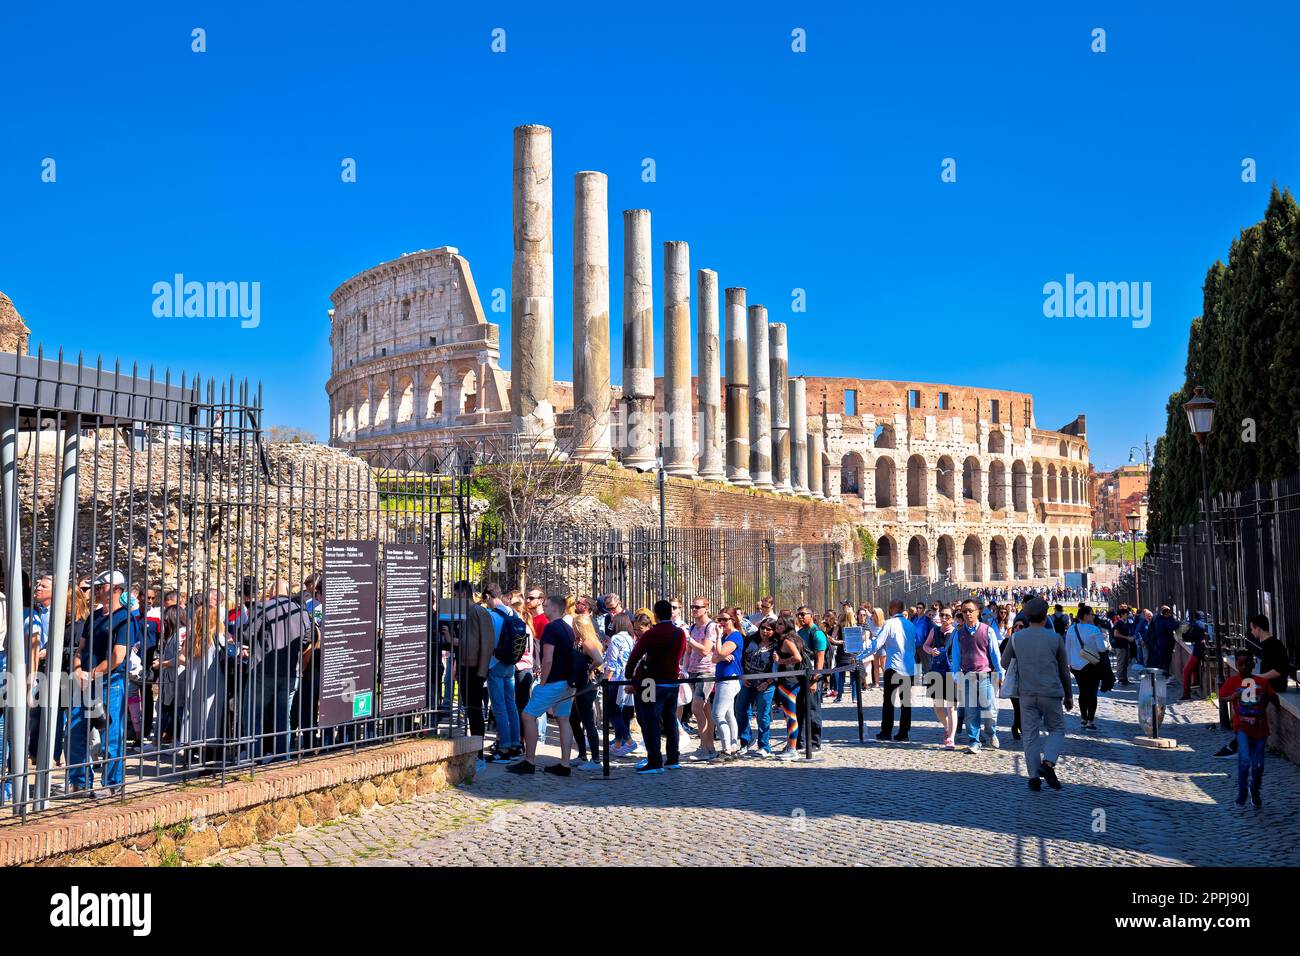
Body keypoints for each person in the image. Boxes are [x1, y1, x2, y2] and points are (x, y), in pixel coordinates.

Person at [67, 570, 140, 797]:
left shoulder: (126, 619)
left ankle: (112, 784)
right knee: (74, 731)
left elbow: (119, 656)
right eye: (96, 587)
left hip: (111, 681)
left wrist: (93, 674)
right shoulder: (94, 616)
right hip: (85, 681)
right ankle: (79, 781)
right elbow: (80, 649)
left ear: (117, 589)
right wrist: (79, 670)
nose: (97, 590)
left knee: (111, 734)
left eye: (102, 586)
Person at [1000, 597, 1074, 792]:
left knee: (1030, 735)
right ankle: (1048, 763)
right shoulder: (1055, 638)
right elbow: (1064, 671)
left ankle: (1034, 777)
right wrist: (1069, 695)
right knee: (1057, 729)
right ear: (1045, 616)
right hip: (1050, 692)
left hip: (1026, 693)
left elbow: (1004, 663)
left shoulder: (1016, 638)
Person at [508, 594, 578, 776]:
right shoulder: (567, 628)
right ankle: (565, 764)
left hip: (553, 681)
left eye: (546, 606)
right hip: (567, 681)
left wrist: (543, 683)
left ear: (554, 608)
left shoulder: (551, 628)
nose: (543, 608)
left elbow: (547, 659)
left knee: (528, 716)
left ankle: (529, 761)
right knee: (563, 719)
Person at [1214, 613, 1293, 758]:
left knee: (1248, 707)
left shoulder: (1273, 645)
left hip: (1273, 685)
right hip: (1265, 684)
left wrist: (1257, 678)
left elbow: (1279, 670)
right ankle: (1240, 742)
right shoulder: (1268, 645)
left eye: (1252, 628)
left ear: (1258, 628)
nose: (1251, 632)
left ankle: (1238, 745)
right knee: (1246, 707)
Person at [623, 599, 687, 775]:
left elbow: (636, 655)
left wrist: (629, 674)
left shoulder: (651, 634)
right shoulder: (680, 633)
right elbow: (680, 654)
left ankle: (655, 760)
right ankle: (673, 758)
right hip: (672, 682)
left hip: (651, 682)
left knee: (650, 720)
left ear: (656, 615)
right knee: (670, 719)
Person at [1219, 652, 1275, 808]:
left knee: (1258, 765)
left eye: (1247, 664)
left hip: (1260, 729)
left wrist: (1266, 697)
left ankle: (1255, 790)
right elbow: (1221, 697)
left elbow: (1274, 699)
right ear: (1236, 664)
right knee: (1244, 761)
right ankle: (1242, 791)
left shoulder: (1262, 682)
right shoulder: (1232, 682)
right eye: (1240, 664)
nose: (1244, 667)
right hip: (1242, 728)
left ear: (1253, 664)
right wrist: (1232, 697)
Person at [950, 598, 1003, 753]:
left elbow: (995, 654)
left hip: (986, 675)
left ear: (978, 612)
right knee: (971, 711)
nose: (967, 614)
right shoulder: (959, 634)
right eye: (964, 611)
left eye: (970, 611)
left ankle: (991, 732)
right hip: (967, 675)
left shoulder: (987, 631)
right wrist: (955, 675)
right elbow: (956, 656)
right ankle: (974, 741)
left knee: (989, 710)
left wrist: (1000, 673)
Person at [860, 600, 916, 742]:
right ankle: (904, 733)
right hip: (909, 667)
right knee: (906, 703)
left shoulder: (889, 624)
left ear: (891, 609)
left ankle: (886, 731)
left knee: (889, 702)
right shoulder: (910, 625)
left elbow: (877, 644)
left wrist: (860, 656)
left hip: (894, 667)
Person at [484, 583, 523, 764]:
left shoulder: (491, 616)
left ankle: (504, 748)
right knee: (511, 705)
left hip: (495, 662)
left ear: (487, 597)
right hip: (510, 662)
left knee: (499, 707)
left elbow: (487, 641)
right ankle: (515, 744)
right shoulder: (511, 612)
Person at [570, 597, 604, 770]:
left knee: (587, 721)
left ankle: (596, 760)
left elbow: (599, 659)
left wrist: (590, 668)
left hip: (587, 685)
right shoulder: (581, 642)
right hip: (581, 684)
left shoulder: (588, 642)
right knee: (574, 719)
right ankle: (582, 755)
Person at [737, 618, 779, 757]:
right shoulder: (750, 640)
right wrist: (743, 676)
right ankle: (745, 741)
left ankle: (764, 746)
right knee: (740, 710)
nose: (765, 631)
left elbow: (777, 668)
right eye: (763, 628)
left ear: (773, 631)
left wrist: (767, 682)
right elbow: (741, 658)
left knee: (762, 715)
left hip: (766, 684)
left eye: (768, 629)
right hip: (748, 681)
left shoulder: (776, 645)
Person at [684, 597, 719, 761]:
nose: (694, 609)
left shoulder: (710, 627)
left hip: (706, 671)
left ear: (706, 608)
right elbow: (689, 651)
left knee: (696, 709)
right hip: (692, 671)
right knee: (705, 710)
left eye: (698, 607)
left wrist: (690, 640)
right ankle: (708, 747)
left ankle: (705, 748)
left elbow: (706, 650)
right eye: (693, 606)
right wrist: (684, 669)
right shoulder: (693, 627)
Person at [603, 610, 640, 757]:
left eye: (613, 622)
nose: (611, 624)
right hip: (627, 678)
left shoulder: (616, 638)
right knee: (622, 712)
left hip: (616, 679)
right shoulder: (630, 638)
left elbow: (612, 663)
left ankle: (629, 741)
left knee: (612, 711)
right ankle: (619, 744)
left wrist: (606, 680)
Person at [1065, 604, 1107, 732]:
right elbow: (1102, 648)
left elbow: (1067, 648)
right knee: (1092, 693)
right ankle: (1090, 720)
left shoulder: (1072, 629)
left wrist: (1068, 664)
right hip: (1092, 664)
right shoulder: (1094, 630)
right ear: (1086, 615)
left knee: (1083, 692)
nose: (1093, 616)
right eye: (1091, 614)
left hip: (1077, 666)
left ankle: (1083, 718)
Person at [922, 606, 958, 749]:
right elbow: (925, 645)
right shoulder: (934, 630)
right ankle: (947, 727)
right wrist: (931, 650)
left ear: (953, 618)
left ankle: (951, 738)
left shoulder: (956, 633)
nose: (944, 618)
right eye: (942, 615)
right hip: (936, 670)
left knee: (951, 706)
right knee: (937, 707)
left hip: (951, 671)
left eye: (947, 616)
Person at [710, 608, 744, 756]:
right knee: (729, 714)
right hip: (723, 677)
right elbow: (714, 658)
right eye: (719, 620)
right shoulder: (726, 637)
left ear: (733, 620)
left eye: (725, 619)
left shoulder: (734, 636)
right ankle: (733, 745)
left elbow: (720, 652)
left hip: (730, 679)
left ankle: (726, 748)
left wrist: (718, 638)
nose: (721, 623)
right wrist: (721, 655)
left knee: (717, 714)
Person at [774, 617, 805, 759]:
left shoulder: (787, 641)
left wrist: (781, 661)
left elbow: (798, 658)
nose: (777, 626)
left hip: (789, 681)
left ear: (787, 626)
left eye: (780, 624)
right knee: (788, 715)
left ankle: (793, 748)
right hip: (788, 680)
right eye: (777, 623)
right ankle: (789, 744)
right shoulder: (792, 638)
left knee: (791, 715)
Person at [1180, 614, 1208, 701]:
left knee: (1186, 670)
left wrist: (1183, 631)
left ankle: (1186, 694)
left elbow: (1188, 636)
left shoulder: (1196, 624)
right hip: (1207, 649)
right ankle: (1195, 682)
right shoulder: (1207, 622)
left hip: (1199, 650)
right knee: (1194, 666)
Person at [1111, 605, 1135, 685]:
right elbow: (1116, 634)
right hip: (1120, 646)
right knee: (1121, 663)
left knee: (1126, 663)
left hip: (1126, 645)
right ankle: (1120, 679)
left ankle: (1125, 678)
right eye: (1126, 614)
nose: (1128, 615)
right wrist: (1127, 638)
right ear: (1122, 615)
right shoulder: (1119, 623)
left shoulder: (1126, 623)